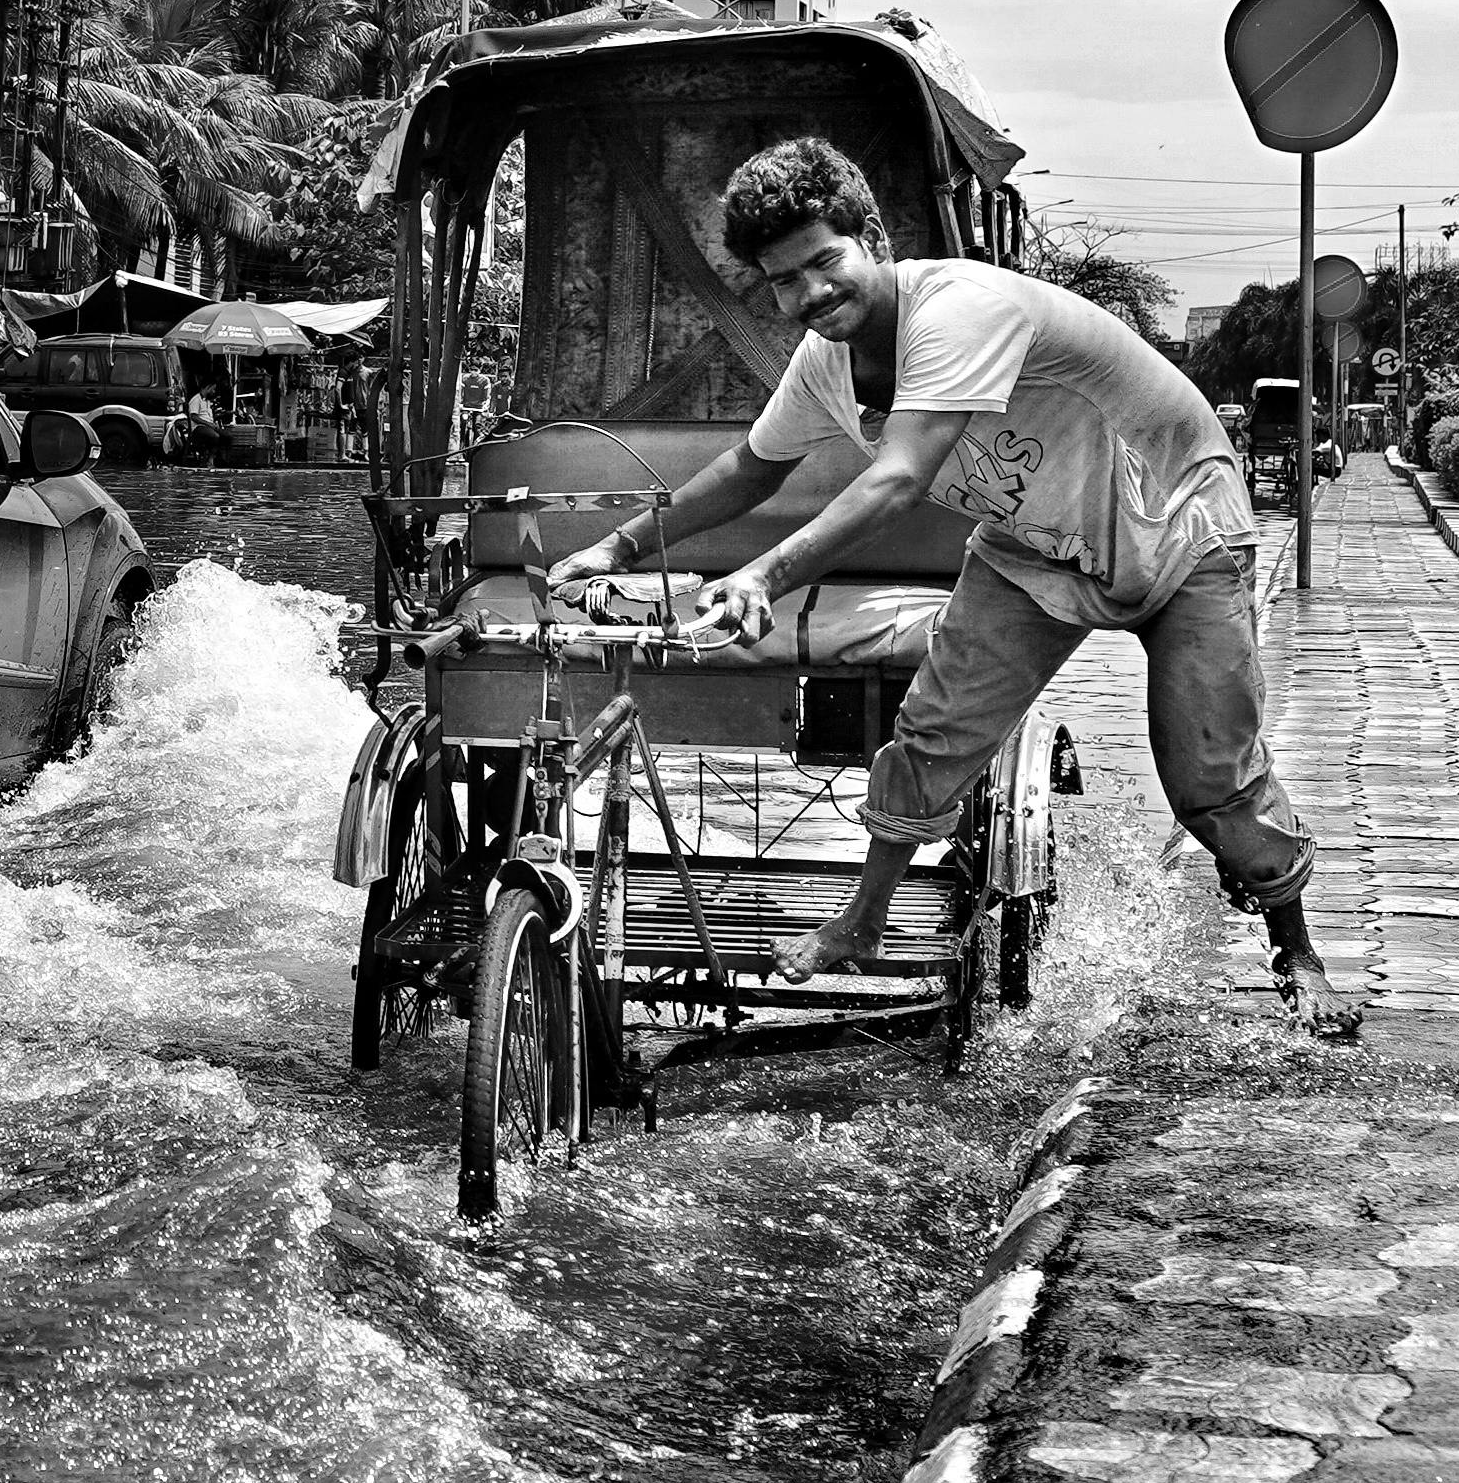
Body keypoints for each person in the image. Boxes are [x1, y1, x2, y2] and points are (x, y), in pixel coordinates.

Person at [551, 133, 1345, 1033]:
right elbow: (750, 469)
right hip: (1037, 547)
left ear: (874, 240)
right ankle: (862, 921)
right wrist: (617, 548)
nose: (810, 295)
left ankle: (1297, 950)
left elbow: (897, 479)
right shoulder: (826, 363)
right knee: (931, 733)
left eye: (824, 262)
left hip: (1177, 528)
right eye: (783, 281)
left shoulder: (959, 308)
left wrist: (763, 573)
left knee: (1207, 782)